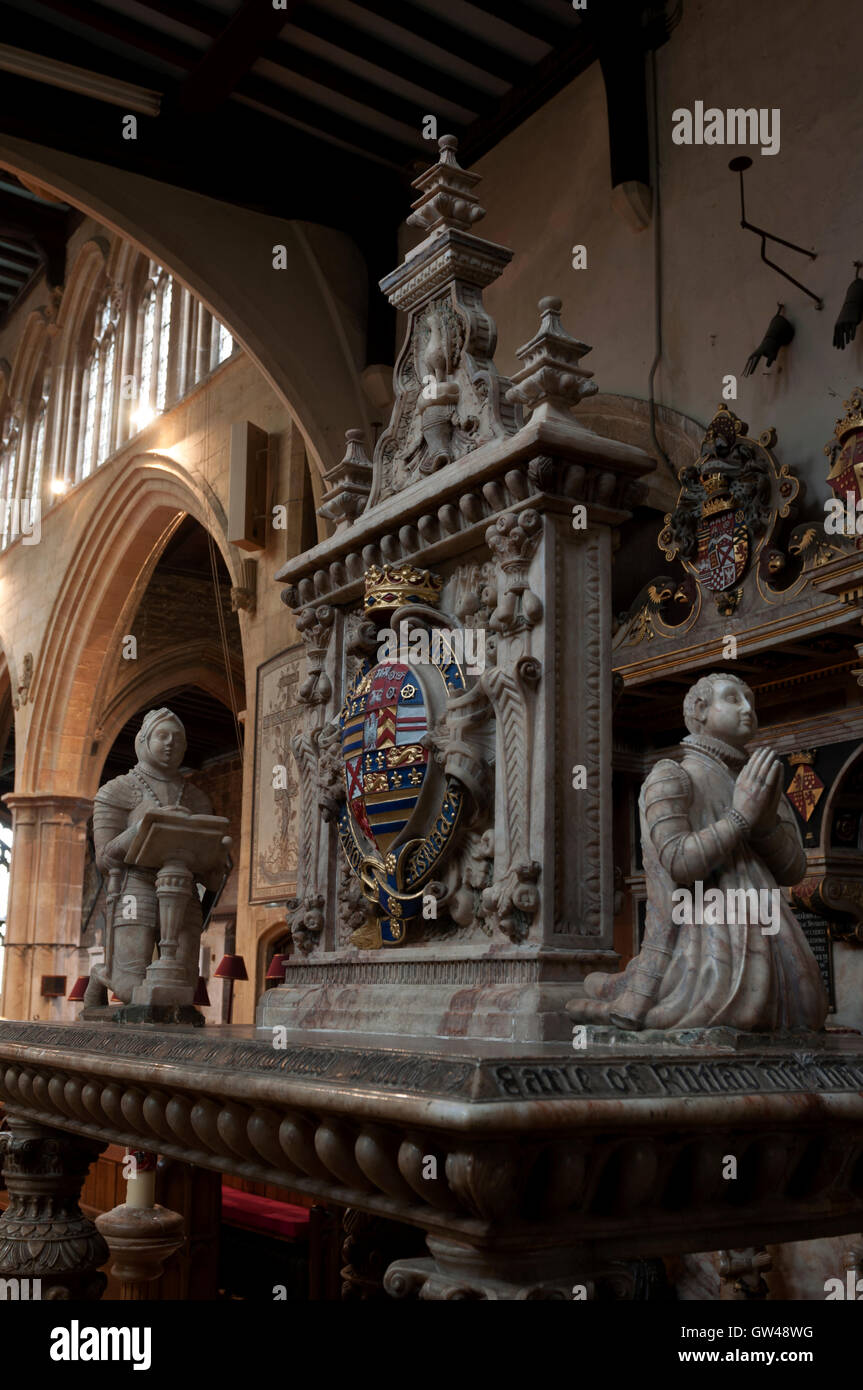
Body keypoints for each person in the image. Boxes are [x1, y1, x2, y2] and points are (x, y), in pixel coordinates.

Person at [569, 672, 828, 1032]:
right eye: (733, 699)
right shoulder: (672, 776)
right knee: (724, 1013)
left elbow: (794, 871)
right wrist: (740, 818)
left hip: (770, 927)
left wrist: (766, 823)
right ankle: (600, 1000)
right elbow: (678, 862)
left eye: (751, 699)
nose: (748, 708)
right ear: (701, 710)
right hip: (704, 937)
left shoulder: (758, 779)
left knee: (803, 1009)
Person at [84, 708, 227, 1005]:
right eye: (162, 736)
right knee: (130, 989)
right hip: (137, 891)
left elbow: (206, 860)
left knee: (182, 992)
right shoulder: (117, 791)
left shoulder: (196, 798)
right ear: (143, 741)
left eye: (178, 739)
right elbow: (105, 857)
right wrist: (142, 828)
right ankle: (101, 974)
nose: (170, 743)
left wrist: (219, 859)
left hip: (184, 891)